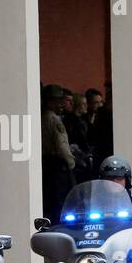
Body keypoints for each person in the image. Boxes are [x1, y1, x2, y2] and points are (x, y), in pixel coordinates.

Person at [41, 84, 76, 221]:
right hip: (57, 168)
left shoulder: (42, 117)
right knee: (61, 205)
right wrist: (71, 163)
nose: (61, 104)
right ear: (50, 101)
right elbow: (62, 147)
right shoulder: (54, 120)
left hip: (46, 166)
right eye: (58, 101)